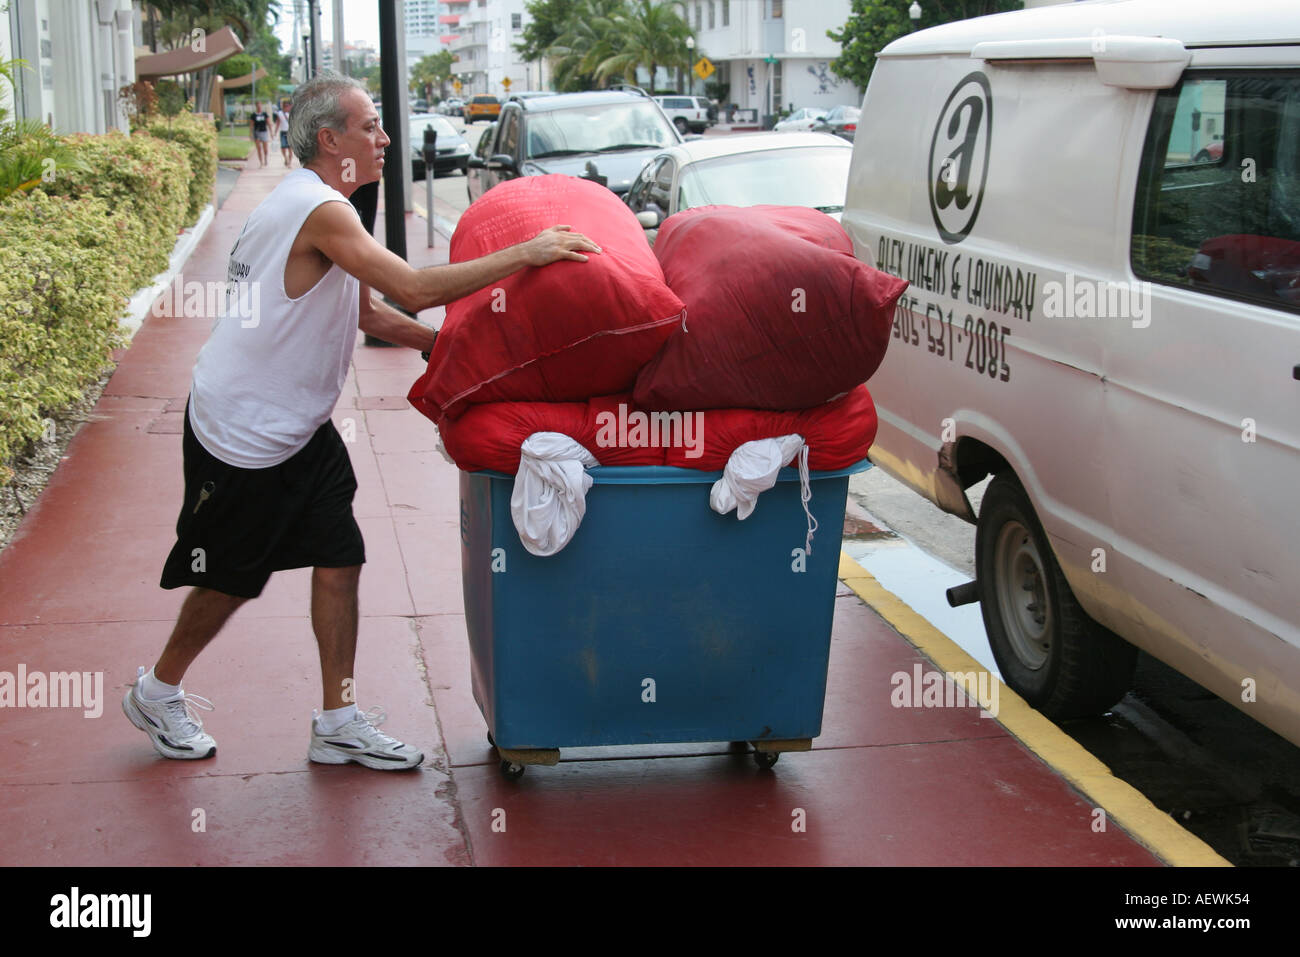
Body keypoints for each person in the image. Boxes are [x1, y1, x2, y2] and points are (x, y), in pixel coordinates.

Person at [123, 72, 600, 771]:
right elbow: (409, 286)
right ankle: (157, 692)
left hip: (295, 427)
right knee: (230, 578)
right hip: (245, 432)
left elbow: (369, 310)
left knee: (340, 556)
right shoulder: (320, 210)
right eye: (370, 126)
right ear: (330, 139)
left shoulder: (314, 202)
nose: (384, 139)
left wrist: (444, 349)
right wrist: (525, 254)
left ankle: (338, 721)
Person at [249, 99, 271, 167]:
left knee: (265, 149)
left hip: (264, 132)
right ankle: (261, 162)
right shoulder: (253, 115)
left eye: (260, 105)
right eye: (257, 105)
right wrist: (250, 134)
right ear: (256, 106)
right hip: (257, 132)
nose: (259, 106)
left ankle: (265, 158)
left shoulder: (264, 114)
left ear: (261, 106)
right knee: (259, 148)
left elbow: (269, 123)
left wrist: (271, 132)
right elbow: (251, 125)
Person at [274, 101, 293, 167]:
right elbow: (277, 123)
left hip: (289, 133)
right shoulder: (280, 114)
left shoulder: (291, 114)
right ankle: (286, 158)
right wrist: (275, 132)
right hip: (283, 132)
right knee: (283, 147)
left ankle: (289, 162)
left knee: (290, 148)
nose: (287, 108)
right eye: (286, 106)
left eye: (288, 106)